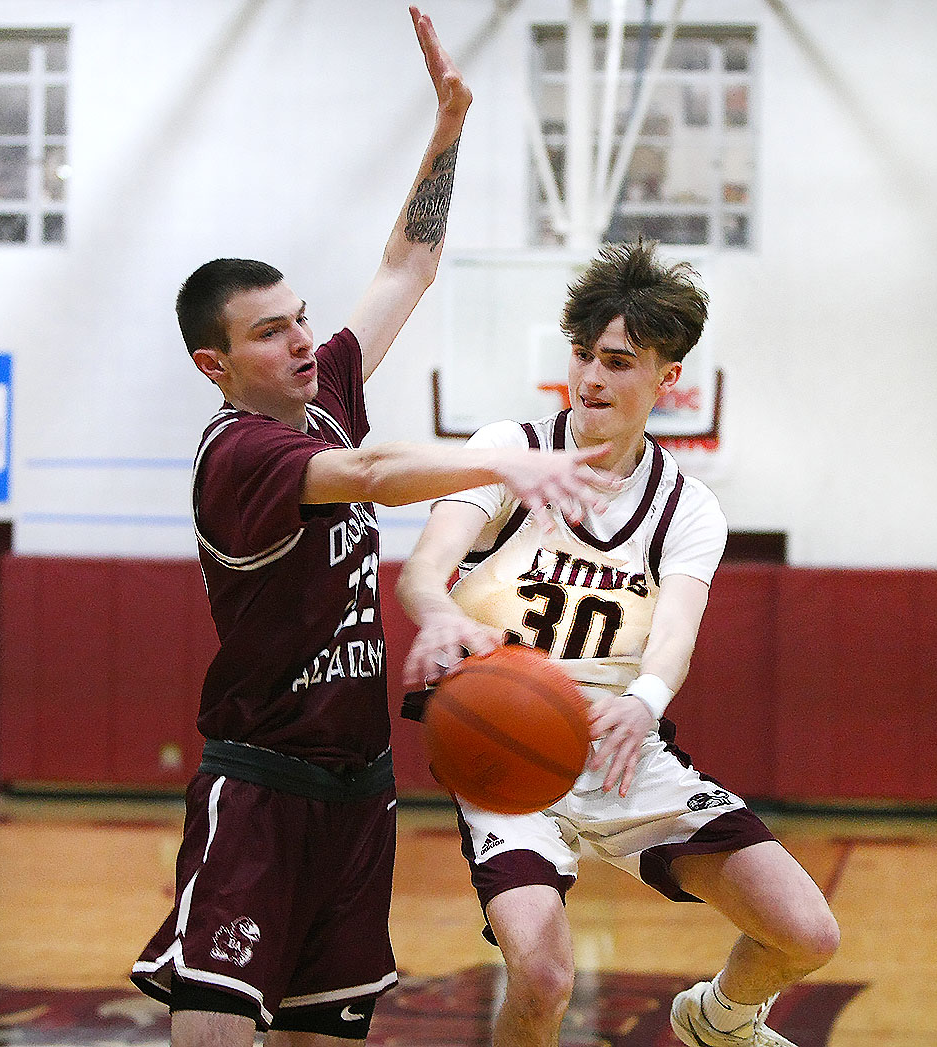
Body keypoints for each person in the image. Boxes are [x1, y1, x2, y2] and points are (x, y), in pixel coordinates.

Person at [130, 10, 612, 1047]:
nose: (305, 340)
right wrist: (506, 459)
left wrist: (448, 127)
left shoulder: (324, 385)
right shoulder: (240, 454)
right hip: (260, 785)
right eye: (271, 332)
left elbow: (406, 266)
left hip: (358, 794)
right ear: (215, 366)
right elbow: (372, 474)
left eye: (300, 316)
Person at [396, 241, 841, 1047]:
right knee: (542, 978)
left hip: (621, 748)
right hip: (511, 758)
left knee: (808, 932)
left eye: (618, 360)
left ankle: (722, 1017)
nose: (591, 376)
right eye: (582, 353)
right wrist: (438, 611)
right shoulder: (515, 449)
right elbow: (424, 567)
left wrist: (646, 699)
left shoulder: (687, 508)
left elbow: (674, 630)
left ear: (668, 378)